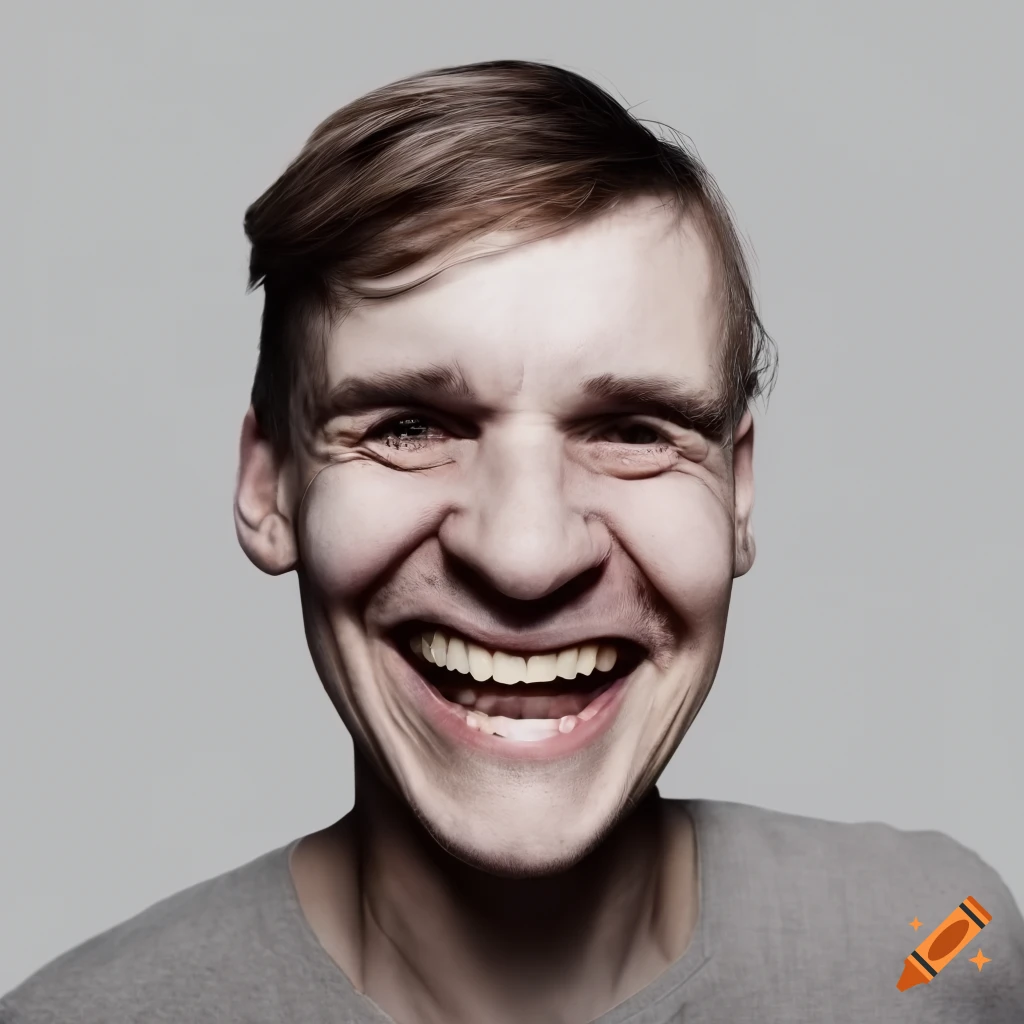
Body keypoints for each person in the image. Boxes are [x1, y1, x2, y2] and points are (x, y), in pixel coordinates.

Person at [3, 59, 1022, 1024]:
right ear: (271, 485)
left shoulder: (935, 941)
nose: (526, 557)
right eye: (407, 426)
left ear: (736, 491)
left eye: (632, 430)